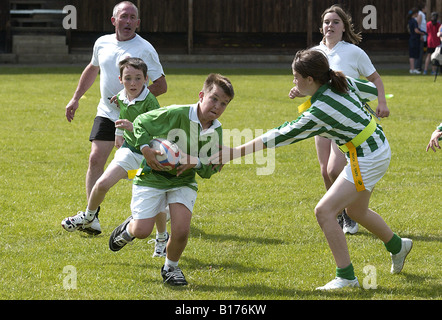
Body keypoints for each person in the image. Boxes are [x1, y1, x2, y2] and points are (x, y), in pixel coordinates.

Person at [211, 49, 412, 290]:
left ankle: (346, 277)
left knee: (324, 211)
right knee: (356, 212)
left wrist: (234, 152)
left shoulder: (321, 112)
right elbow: (371, 90)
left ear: (310, 79)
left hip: (368, 156)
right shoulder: (340, 80)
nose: (293, 82)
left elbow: (281, 134)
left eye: (296, 77)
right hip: (375, 147)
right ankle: (399, 246)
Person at [108, 73, 235, 286]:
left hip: (182, 181)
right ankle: (129, 228)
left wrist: (197, 162)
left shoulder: (216, 131)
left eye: (224, 103)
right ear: (201, 95)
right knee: (142, 231)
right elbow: (140, 122)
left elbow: (210, 168)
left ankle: (171, 268)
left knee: (182, 231)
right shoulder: (177, 113)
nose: (217, 106)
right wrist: (146, 149)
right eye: (214, 99)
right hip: (152, 176)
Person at [64, 1, 167, 235]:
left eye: (133, 18)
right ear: (114, 20)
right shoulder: (102, 43)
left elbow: (161, 84)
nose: (128, 21)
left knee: (142, 169)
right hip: (106, 112)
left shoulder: (145, 49)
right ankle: (92, 217)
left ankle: (156, 207)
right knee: (95, 160)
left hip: (135, 120)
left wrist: (132, 100)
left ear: (138, 23)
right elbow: (92, 69)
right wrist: (76, 97)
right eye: (124, 17)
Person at [290, 5, 390, 234]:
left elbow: (375, 78)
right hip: (320, 117)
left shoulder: (353, 52)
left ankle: (349, 214)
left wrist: (382, 102)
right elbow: (307, 83)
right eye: (326, 22)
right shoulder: (314, 53)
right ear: (321, 26)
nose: (330, 26)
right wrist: (298, 91)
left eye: (336, 22)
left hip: (345, 120)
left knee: (336, 169)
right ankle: (337, 215)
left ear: (344, 26)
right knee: (325, 171)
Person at [62, 57, 170, 256]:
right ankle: (89, 216)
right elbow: (121, 112)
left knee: (157, 202)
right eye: (128, 78)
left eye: (138, 78)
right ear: (120, 79)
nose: (133, 83)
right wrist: (118, 135)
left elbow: (157, 132)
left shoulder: (150, 102)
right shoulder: (121, 95)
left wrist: (133, 127)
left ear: (146, 79)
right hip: (130, 149)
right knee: (102, 184)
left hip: (150, 154)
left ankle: (162, 238)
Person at [408, 8, 426, 74]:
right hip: (415, 39)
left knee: (411, 55)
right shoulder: (414, 21)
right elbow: (416, 30)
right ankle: (414, 68)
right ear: (415, 13)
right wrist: (422, 33)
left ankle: (411, 69)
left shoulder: (410, 20)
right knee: (415, 54)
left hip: (411, 39)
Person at [415, 3, 427, 71]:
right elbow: (418, 25)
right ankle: (417, 67)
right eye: (426, 7)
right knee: (420, 51)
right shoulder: (420, 14)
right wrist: (420, 35)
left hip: (424, 36)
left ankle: (419, 66)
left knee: (422, 52)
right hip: (421, 36)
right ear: (423, 8)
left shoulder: (423, 15)